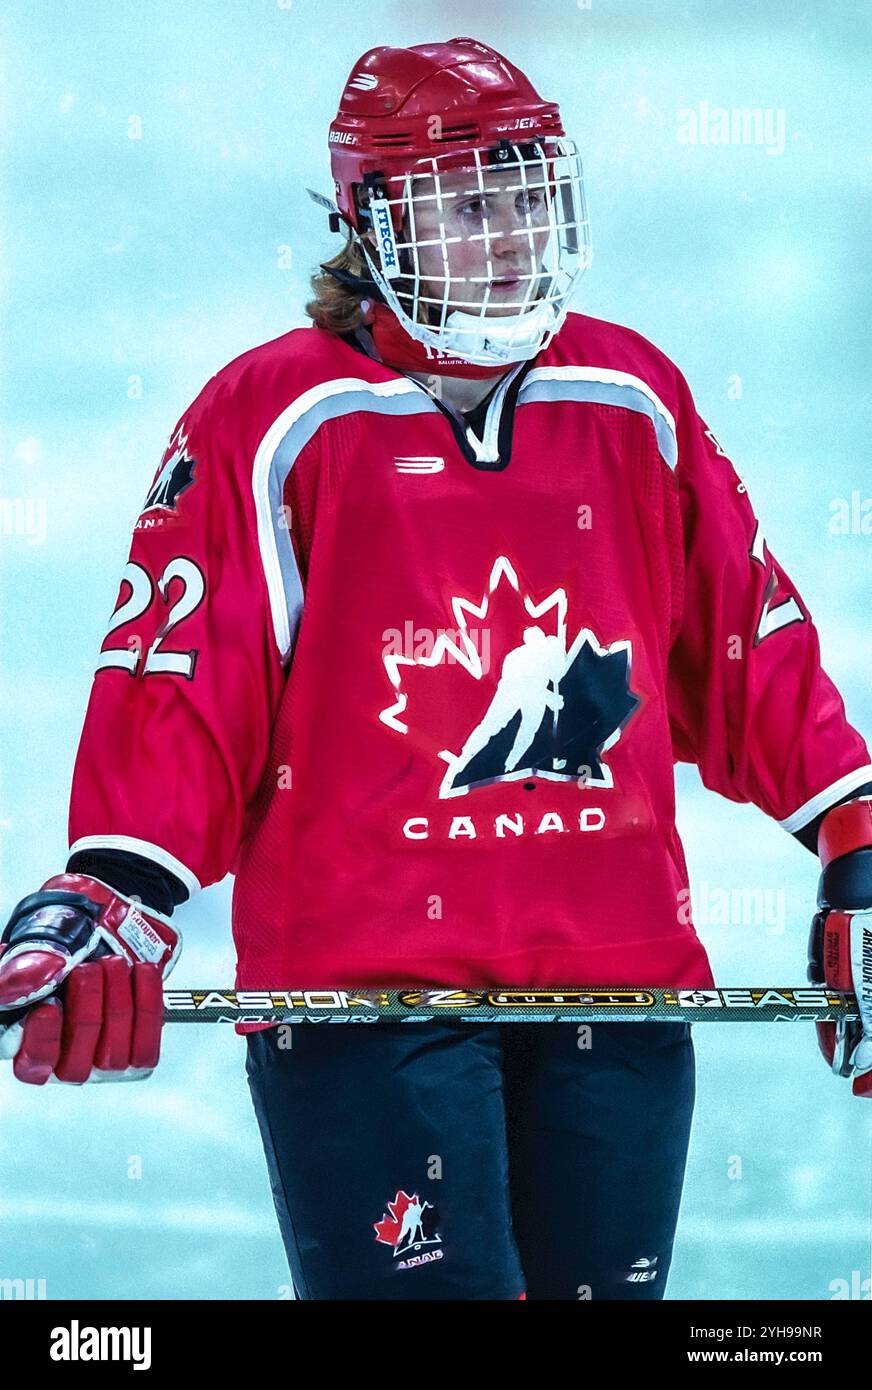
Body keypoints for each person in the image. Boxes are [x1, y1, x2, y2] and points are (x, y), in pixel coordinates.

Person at [1, 36, 870, 1301]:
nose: (509, 231)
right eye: (467, 200)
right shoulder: (272, 415)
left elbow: (745, 638)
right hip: (365, 1010)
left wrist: (855, 838)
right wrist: (115, 888)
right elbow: (188, 679)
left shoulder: (628, 395)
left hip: (613, 993)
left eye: (527, 193)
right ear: (370, 217)